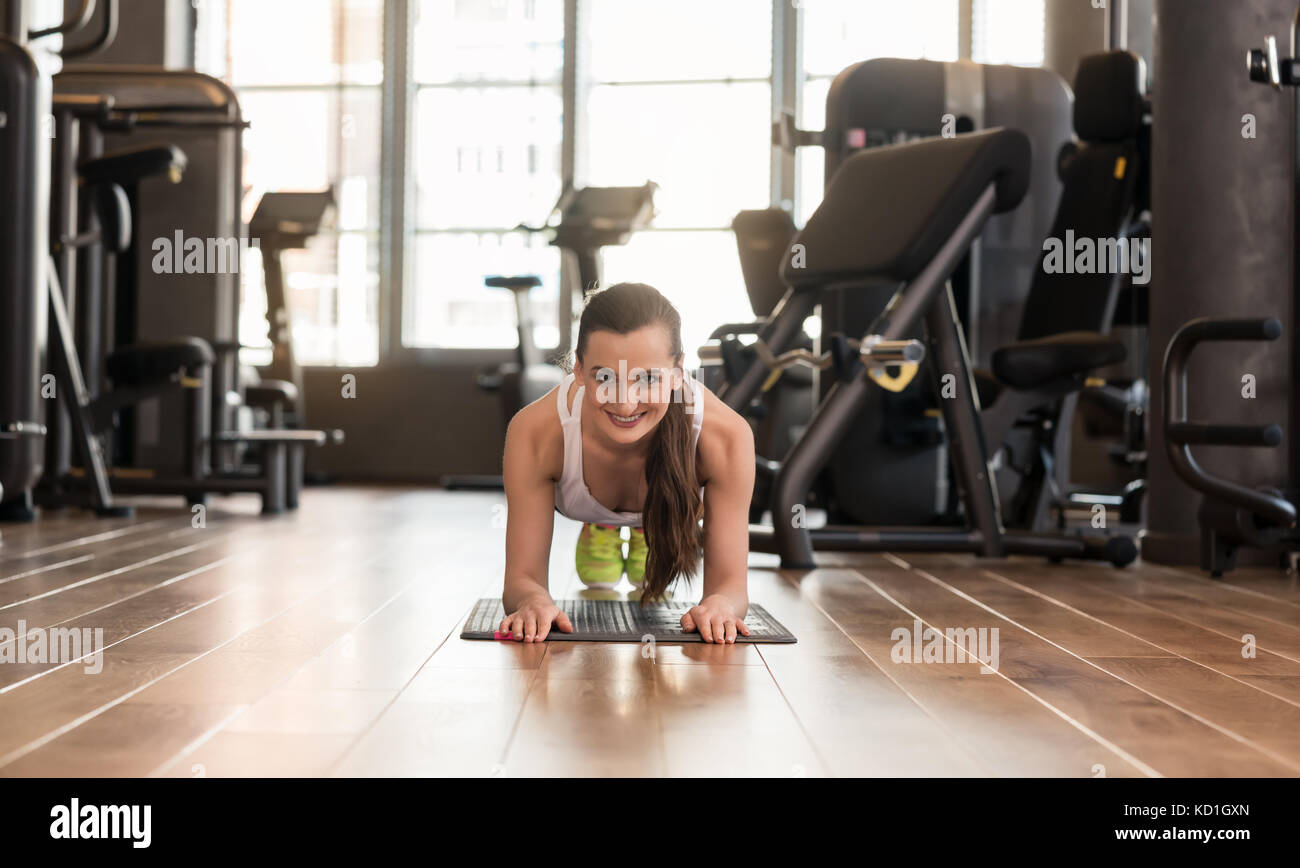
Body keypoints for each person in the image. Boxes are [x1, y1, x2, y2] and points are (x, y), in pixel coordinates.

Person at [499, 283, 756, 644]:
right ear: (579, 368)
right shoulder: (535, 432)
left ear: (679, 370)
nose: (625, 404)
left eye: (648, 378)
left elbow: (731, 586)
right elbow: (521, 579)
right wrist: (532, 601)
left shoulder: (725, 436)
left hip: (668, 501)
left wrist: (719, 605)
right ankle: (603, 525)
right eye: (605, 377)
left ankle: (645, 529)